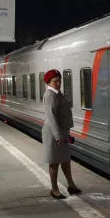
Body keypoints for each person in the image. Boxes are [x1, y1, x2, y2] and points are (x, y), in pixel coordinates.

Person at [42, 69, 81, 199]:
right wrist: (58, 136)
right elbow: (52, 117)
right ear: (48, 82)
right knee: (54, 162)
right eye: (55, 81)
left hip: (62, 131)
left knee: (65, 159)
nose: (58, 83)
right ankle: (54, 189)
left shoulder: (58, 94)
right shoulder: (50, 95)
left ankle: (71, 185)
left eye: (59, 81)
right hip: (54, 132)